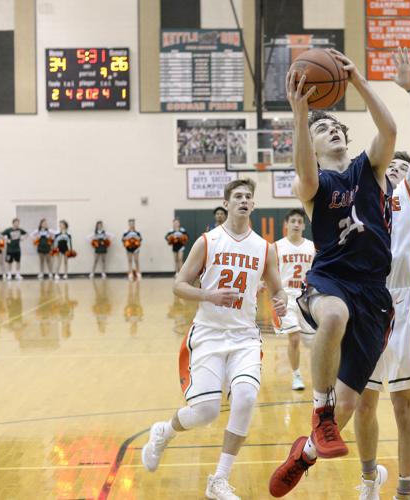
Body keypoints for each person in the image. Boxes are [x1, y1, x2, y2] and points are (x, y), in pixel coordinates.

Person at [269, 48, 397, 498]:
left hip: (374, 292)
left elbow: (391, 129)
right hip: (330, 278)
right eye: (323, 130)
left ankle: (303, 455)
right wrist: (301, 118)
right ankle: (319, 413)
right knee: (333, 317)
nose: (333, 131)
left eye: (336, 126)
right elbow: (303, 169)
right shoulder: (316, 185)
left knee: (352, 404)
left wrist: (358, 80)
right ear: (315, 145)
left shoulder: (370, 169)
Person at [141, 179, 287, 500]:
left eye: (249, 197)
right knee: (206, 412)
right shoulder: (208, 241)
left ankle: (219, 479)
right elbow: (179, 285)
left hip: (245, 336)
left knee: (246, 397)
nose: (244, 201)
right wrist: (209, 294)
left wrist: (281, 300)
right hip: (208, 334)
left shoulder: (265, 248)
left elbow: (277, 289)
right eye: (238, 196)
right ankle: (163, 432)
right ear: (227, 203)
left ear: (254, 205)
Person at [354, 48, 410, 500]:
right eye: (393, 164)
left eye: (406, 168)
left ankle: (406, 489)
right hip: (366, 301)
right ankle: (369, 480)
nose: (400, 169)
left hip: (405, 302)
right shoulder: (359, 192)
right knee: (365, 402)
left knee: (405, 405)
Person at [272, 208, 316, 391]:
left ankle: (320, 378)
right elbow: (270, 271)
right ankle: (296, 376)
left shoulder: (312, 247)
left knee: (314, 343)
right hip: (286, 297)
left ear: (304, 225)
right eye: (293, 221)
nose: (296, 224)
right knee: (295, 338)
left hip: (307, 298)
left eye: (300, 221)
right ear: (286, 224)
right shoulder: (277, 246)